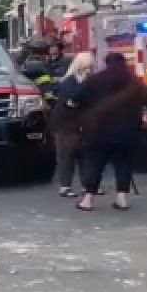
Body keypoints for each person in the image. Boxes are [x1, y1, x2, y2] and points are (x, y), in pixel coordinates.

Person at [72, 52, 147, 211]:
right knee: (123, 163)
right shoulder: (134, 81)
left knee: (95, 163)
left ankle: (88, 200)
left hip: (97, 130)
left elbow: (75, 98)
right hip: (127, 131)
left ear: (106, 63)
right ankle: (122, 199)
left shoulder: (94, 79)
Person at [49, 52, 93, 197]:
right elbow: (71, 101)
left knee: (84, 155)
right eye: (87, 67)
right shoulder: (68, 82)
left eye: (91, 67)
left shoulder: (87, 80)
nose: (89, 70)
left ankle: (86, 185)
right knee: (66, 155)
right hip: (65, 125)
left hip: (81, 123)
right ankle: (65, 186)